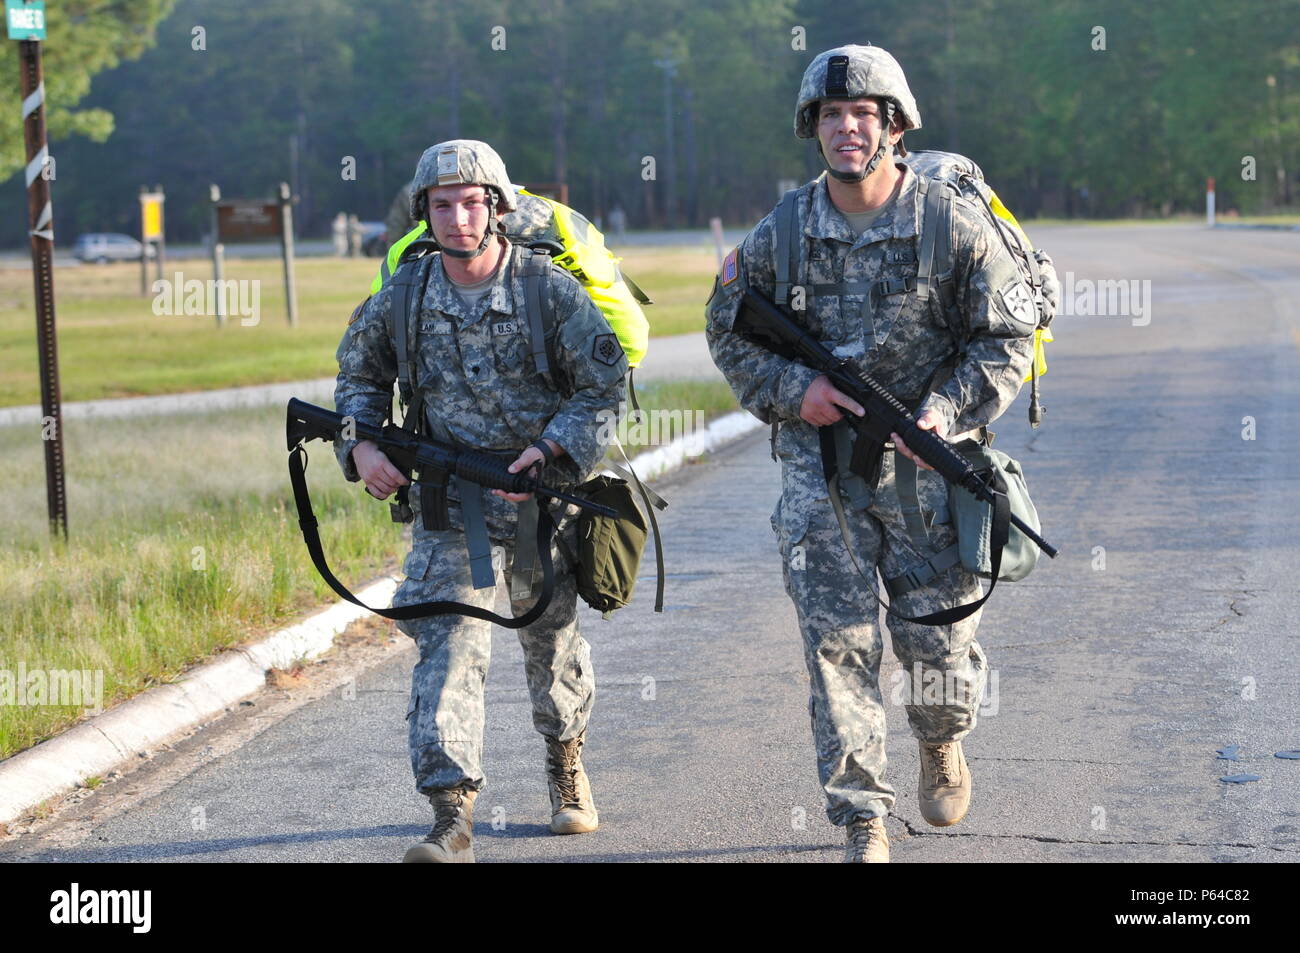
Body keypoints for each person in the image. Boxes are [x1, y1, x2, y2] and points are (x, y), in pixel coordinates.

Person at [705, 45, 1036, 863]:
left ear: (893, 126)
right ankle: (862, 817)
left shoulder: (946, 223)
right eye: (830, 115)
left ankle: (939, 736)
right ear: (812, 129)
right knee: (836, 645)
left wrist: (944, 411)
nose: (846, 128)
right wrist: (794, 391)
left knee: (939, 650)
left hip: (928, 474)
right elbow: (726, 329)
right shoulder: (780, 232)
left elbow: (1008, 336)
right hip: (820, 473)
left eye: (862, 114)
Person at [333, 140, 628, 863]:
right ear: (424, 214)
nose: (459, 218)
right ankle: (450, 812)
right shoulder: (404, 294)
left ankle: (565, 766)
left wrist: (553, 448)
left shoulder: (546, 290)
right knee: (447, 645)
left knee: (551, 643)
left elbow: (604, 388)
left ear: (497, 208)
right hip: (446, 503)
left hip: (540, 500)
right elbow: (356, 382)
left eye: (472, 203)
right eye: (442, 205)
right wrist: (361, 448)